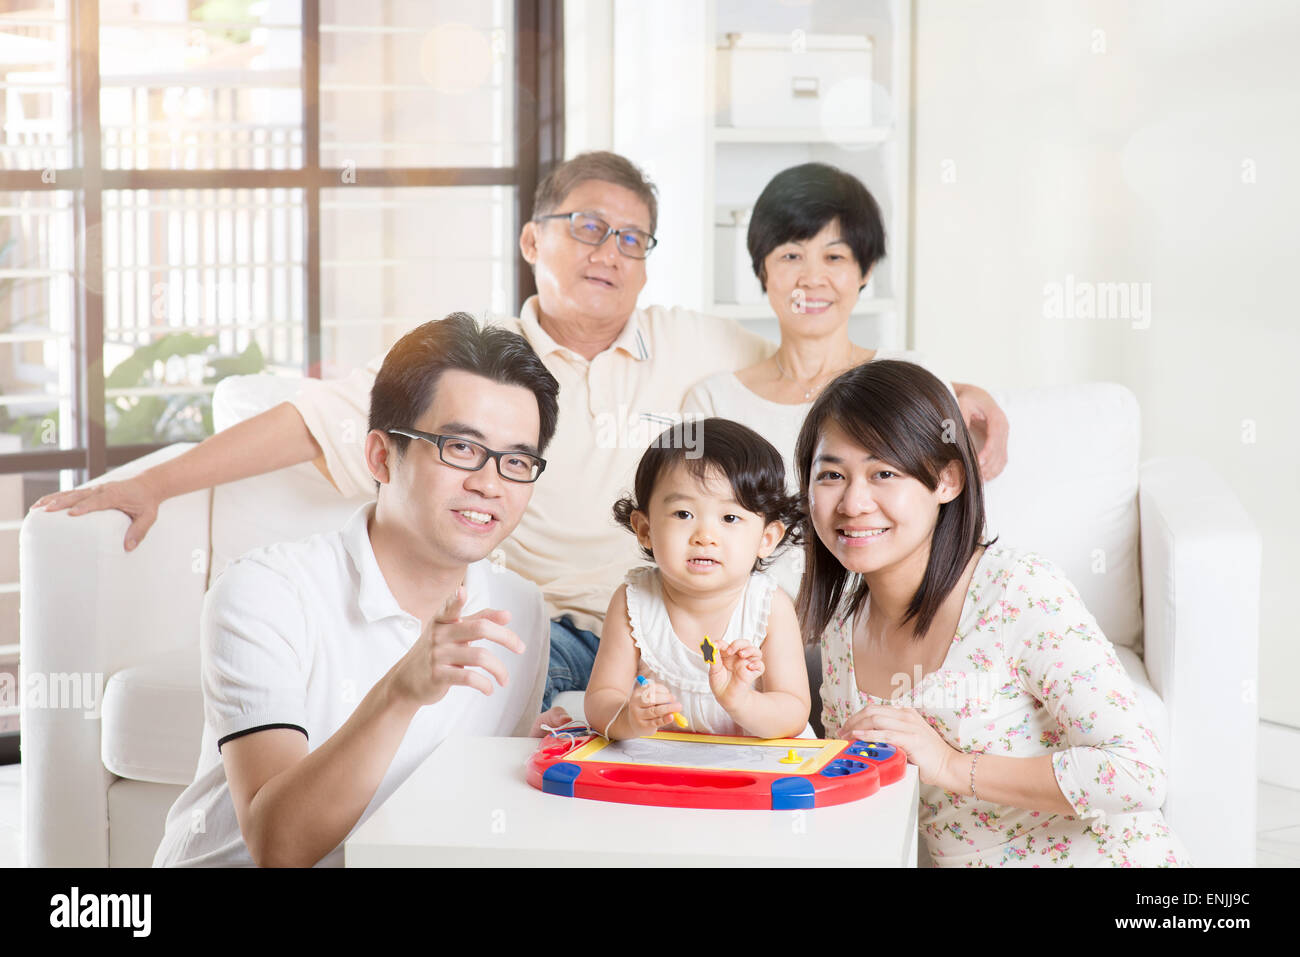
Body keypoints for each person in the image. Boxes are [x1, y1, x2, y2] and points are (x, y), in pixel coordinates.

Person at [33, 151, 1009, 709]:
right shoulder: (476, 355)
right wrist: (157, 481)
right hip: (535, 630)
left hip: (674, 624)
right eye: (586, 226)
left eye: (632, 239)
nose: (609, 253)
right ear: (531, 240)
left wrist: (957, 394)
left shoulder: (688, 344)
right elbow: (326, 412)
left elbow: (817, 355)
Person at [154, 314, 568, 867]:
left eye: (516, 461)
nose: (489, 484)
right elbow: (280, 846)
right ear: (379, 456)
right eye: (461, 449)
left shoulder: (521, 609)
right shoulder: (265, 592)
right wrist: (400, 693)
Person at [795, 359, 1189, 866]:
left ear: (948, 480)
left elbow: (1138, 773)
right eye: (831, 474)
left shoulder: (1016, 590)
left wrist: (951, 765)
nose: (853, 502)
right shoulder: (841, 631)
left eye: (884, 473)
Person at [683, 162, 998, 602]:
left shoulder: (912, 375)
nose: (812, 278)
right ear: (762, 271)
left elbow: (949, 523)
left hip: (882, 618)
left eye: (835, 257)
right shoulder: (713, 399)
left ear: (865, 271)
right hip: (749, 632)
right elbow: (692, 532)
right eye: (791, 255)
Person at [584, 418, 810, 740]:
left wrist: (741, 701)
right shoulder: (633, 601)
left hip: (755, 770)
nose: (705, 536)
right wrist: (628, 718)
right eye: (683, 514)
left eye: (730, 517)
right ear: (645, 529)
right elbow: (600, 698)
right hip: (667, 771)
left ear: (767, 538)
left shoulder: (770, 607)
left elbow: (793, 713)